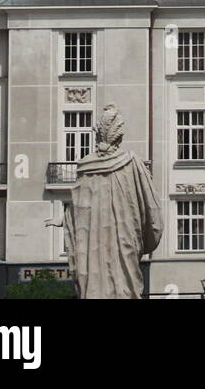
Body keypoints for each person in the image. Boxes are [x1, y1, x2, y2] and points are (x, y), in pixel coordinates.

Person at [63, 104, 162, 300]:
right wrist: (143, 241)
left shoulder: (86, 167)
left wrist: (65, 219)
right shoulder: (132, 162)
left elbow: (77, 214)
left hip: (92, 262)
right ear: (119, 135)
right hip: (125, 247)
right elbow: (153, 212)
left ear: (98, 135)